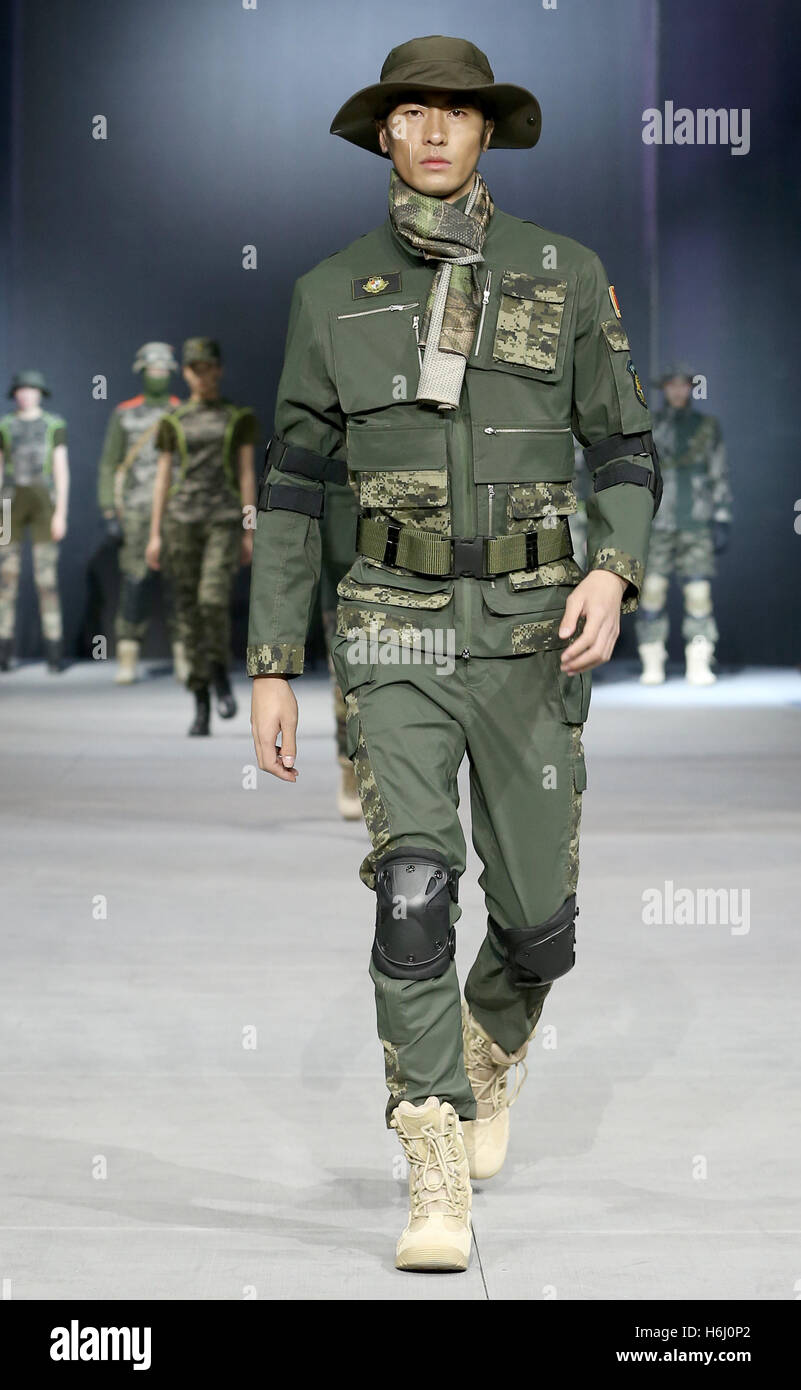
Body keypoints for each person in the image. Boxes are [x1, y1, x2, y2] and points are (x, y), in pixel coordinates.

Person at [248, 35, 661, 1271]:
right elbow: (293, 483)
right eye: (412, 113)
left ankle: (494, 1039)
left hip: (538, 630)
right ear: (385, 133)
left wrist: (614, 565)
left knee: (541, 925)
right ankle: (431, 1164)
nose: (434, 133)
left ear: (489, 135)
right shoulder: (330, 294)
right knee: (414, 891)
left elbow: (626, 445)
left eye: (458, 115)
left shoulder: (566, 273)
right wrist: (274, 659)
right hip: (392, 624)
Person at [145, 338, 257, 735]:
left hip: (223, 519)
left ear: (219, 370)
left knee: (212, 601)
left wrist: (249, 528)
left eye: (209, 367)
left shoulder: (237, 416)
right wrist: (154, 533)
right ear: (186, 373)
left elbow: (246, 474)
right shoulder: (173, 421)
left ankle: (220, 675)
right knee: (188, 613)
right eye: (195, 368)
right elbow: (163, 477)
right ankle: (201, 699)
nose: (203, 375)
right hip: (181, 521)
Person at [636, 364, 731, 685]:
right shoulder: (651, 425)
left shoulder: (706, 426)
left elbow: (718, 472)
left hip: (695, 521)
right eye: (671, 385)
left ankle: (699, 659)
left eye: (683, 385)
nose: (677, 391)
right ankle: (652, 659)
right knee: (652, 592)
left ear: (690, 388)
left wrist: (721, 517)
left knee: (698, 592)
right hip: (659, 521)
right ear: (664, 389)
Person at [97, 342, 181, 683]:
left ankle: (185, 656)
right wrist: (108, 509)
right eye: (153, 369)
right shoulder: (124, 413)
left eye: (164, 369)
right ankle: (128, 654)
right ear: (142, 371)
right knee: (134, 581)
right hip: (134, 511)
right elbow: (109, 463)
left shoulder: (182, 411)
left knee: (179, 584)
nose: (158, 375)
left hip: (176, 511)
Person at [0, 370, 70, 672]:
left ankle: (54, 650)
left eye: (31, 389)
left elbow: (61, 469)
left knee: (46, 580)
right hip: (8, 504)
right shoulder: (4, 425)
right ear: (15, 393)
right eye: (21, 389)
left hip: (44, 502)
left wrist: (61, 513)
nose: (26, 394)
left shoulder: (54, 424)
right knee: (5, 580)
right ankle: (3, 649)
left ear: (40, 392)